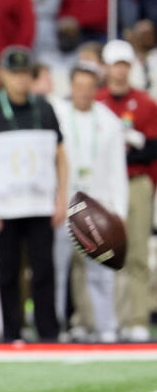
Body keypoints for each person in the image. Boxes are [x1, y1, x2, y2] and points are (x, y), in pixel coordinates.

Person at [0, 46, 67, 343]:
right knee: (5, 275)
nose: (21, 80)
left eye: (26, 74)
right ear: (3, 76)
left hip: (39, 204)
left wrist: (61, 198)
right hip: (3, 207)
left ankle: (49, 333)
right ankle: (10, 335)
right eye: (15, 74)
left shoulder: (44, 108)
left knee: (44, 271)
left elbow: (60, 156)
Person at [51, 61, 127, 342]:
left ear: (97, 88)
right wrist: (54, 201)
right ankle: (56, 327)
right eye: (78, 86)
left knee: (102, 271)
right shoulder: (57, 113)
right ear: (71, 86)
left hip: (99, 207)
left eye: (89, 87)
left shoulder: (109, 121)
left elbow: (117, 170)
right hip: (64, 203)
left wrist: (118, 211)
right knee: (57, 271)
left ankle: (107, 328)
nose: (83, 92)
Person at [95, 40, 157, 342]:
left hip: (135, 183)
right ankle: (105, 320)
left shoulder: (145, 104)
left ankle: (136, 318)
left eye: (124, 65)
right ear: (106, 67)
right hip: (103, 183)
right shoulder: (96, 103)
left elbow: (152, 148)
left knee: (137, 255)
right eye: (115, 65)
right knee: (103, 252)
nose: (119, 71)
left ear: (130, 67)